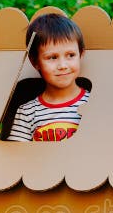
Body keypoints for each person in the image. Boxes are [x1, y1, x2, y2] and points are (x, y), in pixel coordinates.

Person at [6, 13, 89, 142]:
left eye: (71, 55)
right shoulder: (27, 112)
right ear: (36, 62)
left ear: (81, 55)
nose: (62, 65)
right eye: (52, 57)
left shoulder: (93, 103)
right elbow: (16, 156)